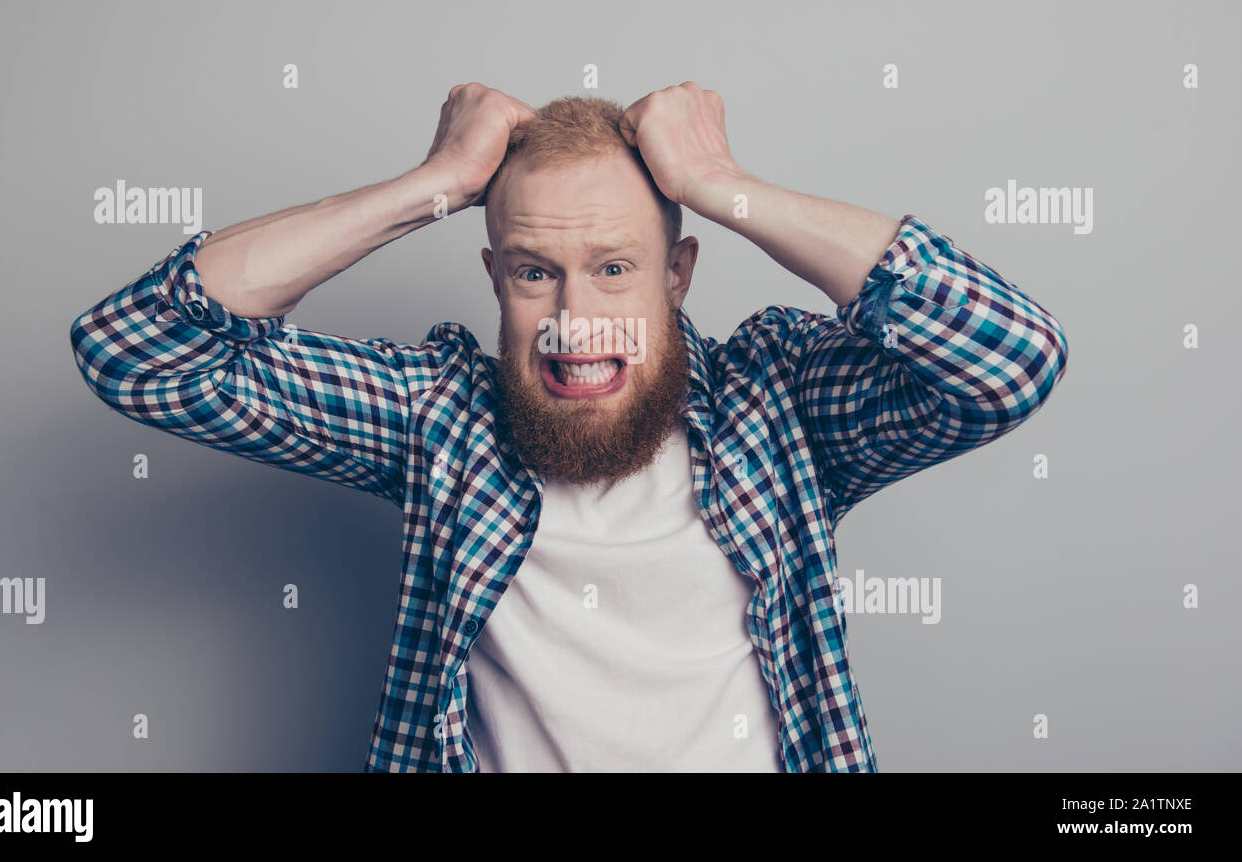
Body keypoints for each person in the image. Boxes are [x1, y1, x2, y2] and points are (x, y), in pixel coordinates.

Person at [69, 81, 1068, 772]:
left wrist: (722, 186)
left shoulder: (783, 408)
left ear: (679, 275)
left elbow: (1010, 359)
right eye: (535, 272)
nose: (575, 318)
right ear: (496, 277)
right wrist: (434, 186)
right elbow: (138, 350)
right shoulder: (440, 419)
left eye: (616, 269)